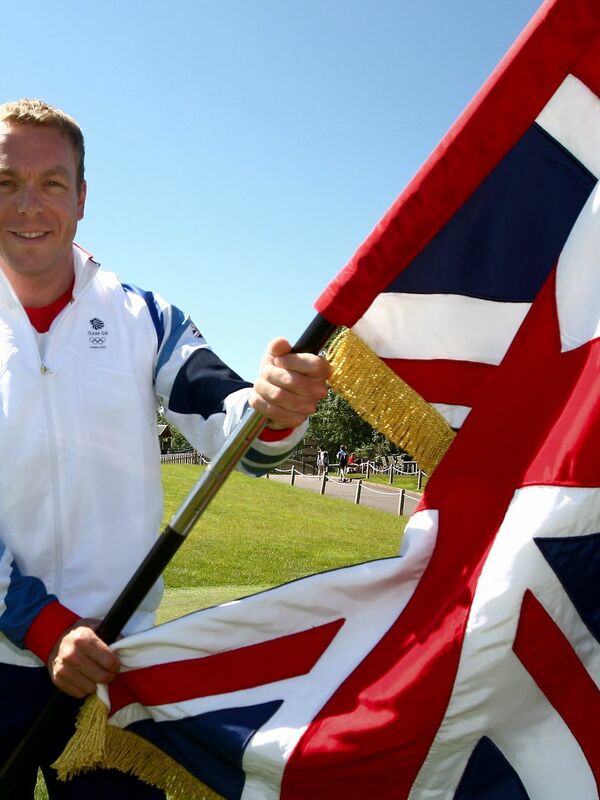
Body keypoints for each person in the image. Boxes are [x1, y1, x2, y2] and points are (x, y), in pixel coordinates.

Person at [0, 99, 331, 799]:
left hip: (116, 662)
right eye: (6, 182)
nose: (28, 204)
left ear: (82, 198)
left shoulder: (143, 316)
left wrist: (276, 406)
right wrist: (41, 624)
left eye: (52, 183)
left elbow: (230, 417)